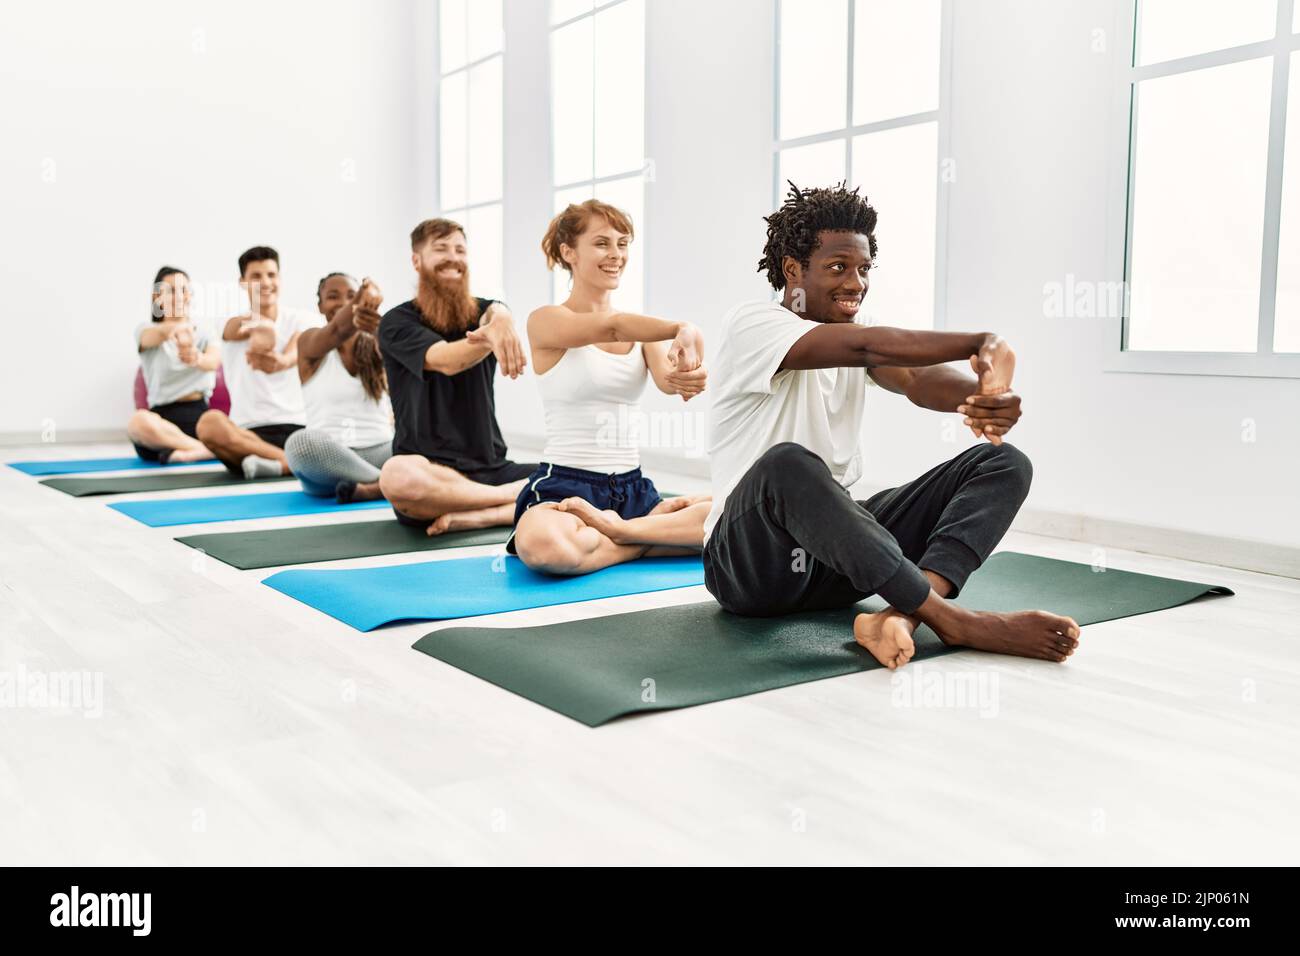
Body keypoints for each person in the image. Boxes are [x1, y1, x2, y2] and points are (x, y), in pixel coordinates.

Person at [572, 182, 1080, 670]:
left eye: (863, 269)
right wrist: (982, 342)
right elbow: (868, 347)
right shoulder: (756, 324)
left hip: (835, 567)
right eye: (838, 267)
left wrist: (983, 395)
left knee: (1003, 462)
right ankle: (953, 620)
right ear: (793, 270)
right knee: (787, 465)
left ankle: (901, 613)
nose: (855, 283)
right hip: (751, 568)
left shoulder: (855, 340)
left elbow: (918, 382)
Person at [508, 199, 711, 574]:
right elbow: (611, 326)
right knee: (544, 545)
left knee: (729, 518)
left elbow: (672, 384)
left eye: (623, 243)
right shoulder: (546, 320)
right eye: (602, 243)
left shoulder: (643, 334)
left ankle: (619, 534)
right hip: (566, 486)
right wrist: (684, 327)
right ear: (569, 252)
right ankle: (642, 539)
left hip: (631, 489)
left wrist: (689, 374)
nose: (616, 254)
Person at [377, 218, 535, 534]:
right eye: (441, 249)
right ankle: (511, 499)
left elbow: (495, 312)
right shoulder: (396, 322)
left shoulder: (486, 313)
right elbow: (447, 360)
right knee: (396, 476)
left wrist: (502, 316)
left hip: (492, 467)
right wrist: (492, 334)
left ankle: (484, 515)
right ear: (416, 261)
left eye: (460, 250)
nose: (453, 257)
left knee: (589, 475)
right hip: (429, 472)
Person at [196, 246, 322, 478]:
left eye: (271, 275)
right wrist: (262, 328)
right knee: (209, 423)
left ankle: (279, 464)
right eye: (256, 276)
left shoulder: (302, 319)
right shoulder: (226, 323)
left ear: (280, 279)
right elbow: (238, 329)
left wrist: (283, 360)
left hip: (297, 430)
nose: (265, 282)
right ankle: (288, 464)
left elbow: (299, 347)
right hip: (247, 436)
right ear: (242, 282)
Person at [282, 274, 393, 501]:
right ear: (320, 306)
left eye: (351, 296)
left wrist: (376, 327)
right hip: (327, 461)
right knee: (300, 443)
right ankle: (389, 484)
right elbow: (337, 331)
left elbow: (402, 355)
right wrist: (363, 296)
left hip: (382, 451)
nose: (343, 302)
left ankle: (373, 488)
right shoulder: (309, 341)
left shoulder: (377, 342)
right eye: (333, 297)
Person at [127, 267, 220, 463]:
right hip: (161, 421)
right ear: (157, 297)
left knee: (221, 423)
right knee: (137, 422)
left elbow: (213, 362)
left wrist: (197, 358)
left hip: (199, 416)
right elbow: (155, 335)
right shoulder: (146, 330)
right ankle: (205, 450)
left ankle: (181, 452)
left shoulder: (205, 331)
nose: (178, 296)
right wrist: (177, 328)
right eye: (170, 290)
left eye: (183, 290)